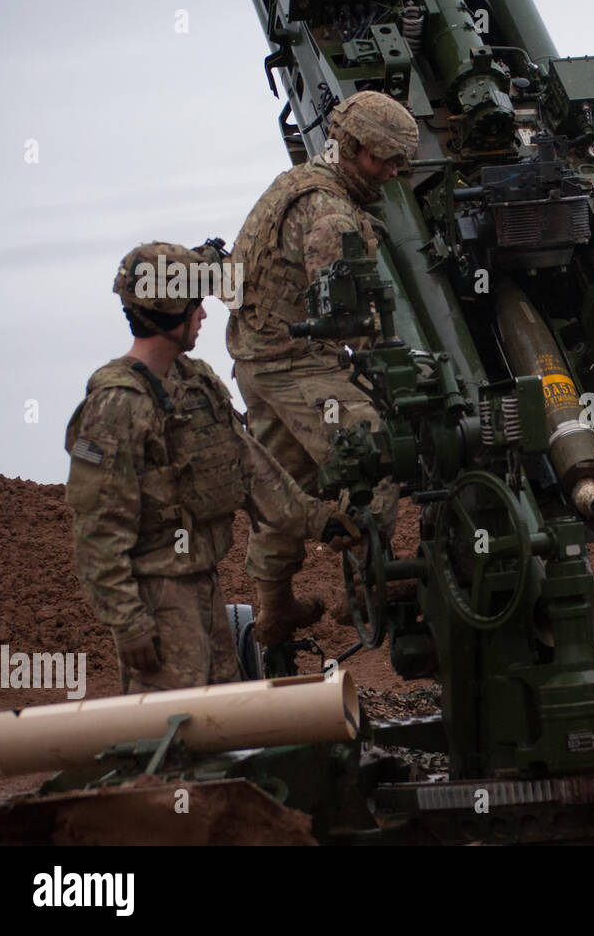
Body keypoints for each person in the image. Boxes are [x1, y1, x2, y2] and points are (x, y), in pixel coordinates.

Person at [66, 242, 360, 693]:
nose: (203, 315)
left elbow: (251, 469)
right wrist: (127, 621)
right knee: (173, 737)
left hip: (205, 588)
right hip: (158, 599)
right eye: (195, 305)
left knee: (222, 729)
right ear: (170, 312)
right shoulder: (116, 405)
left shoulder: (196, 381)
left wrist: (322, 522)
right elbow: (97, 528)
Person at [227, 91, 418, 645]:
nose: (392, 173)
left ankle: (273, 606)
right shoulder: (330, 212)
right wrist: (388, 350)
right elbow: (341, 314)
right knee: (370, 453)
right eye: (383, 160)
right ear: (352, 147)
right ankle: (364, 584)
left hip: (257, 361)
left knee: (282, 480)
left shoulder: (295, 183)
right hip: (300, 365)